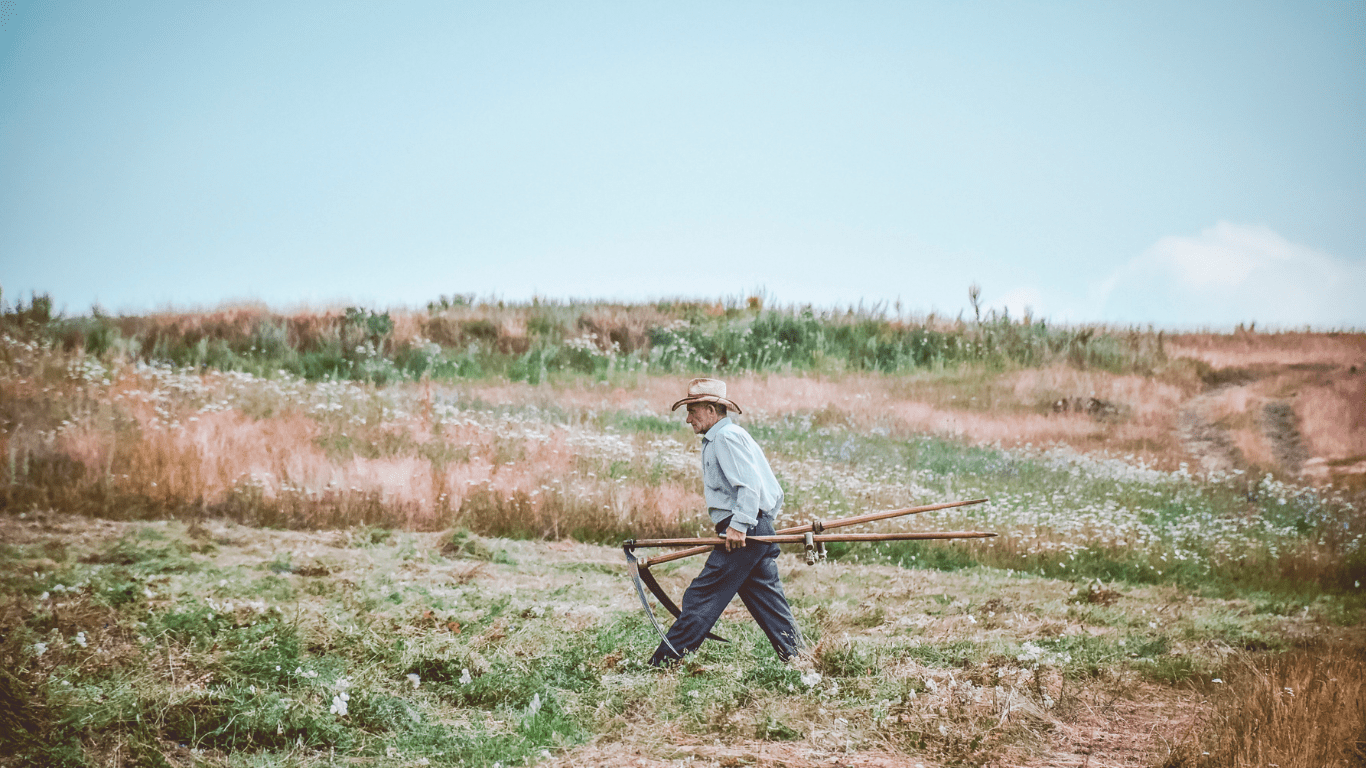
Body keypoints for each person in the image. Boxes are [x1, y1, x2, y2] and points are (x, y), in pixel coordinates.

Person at [649, 377, 804, 666]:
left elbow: (749, 487)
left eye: (692, 411)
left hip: (742, 530)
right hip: (751, 528)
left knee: (701, 595)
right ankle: (799, 658)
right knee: (767, 601)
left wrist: (741, 525)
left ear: (710, 409)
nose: (687, 419)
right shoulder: (726, 437)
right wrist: (760, 524)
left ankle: (664, 663)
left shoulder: (725, 438)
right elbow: (771, 490)